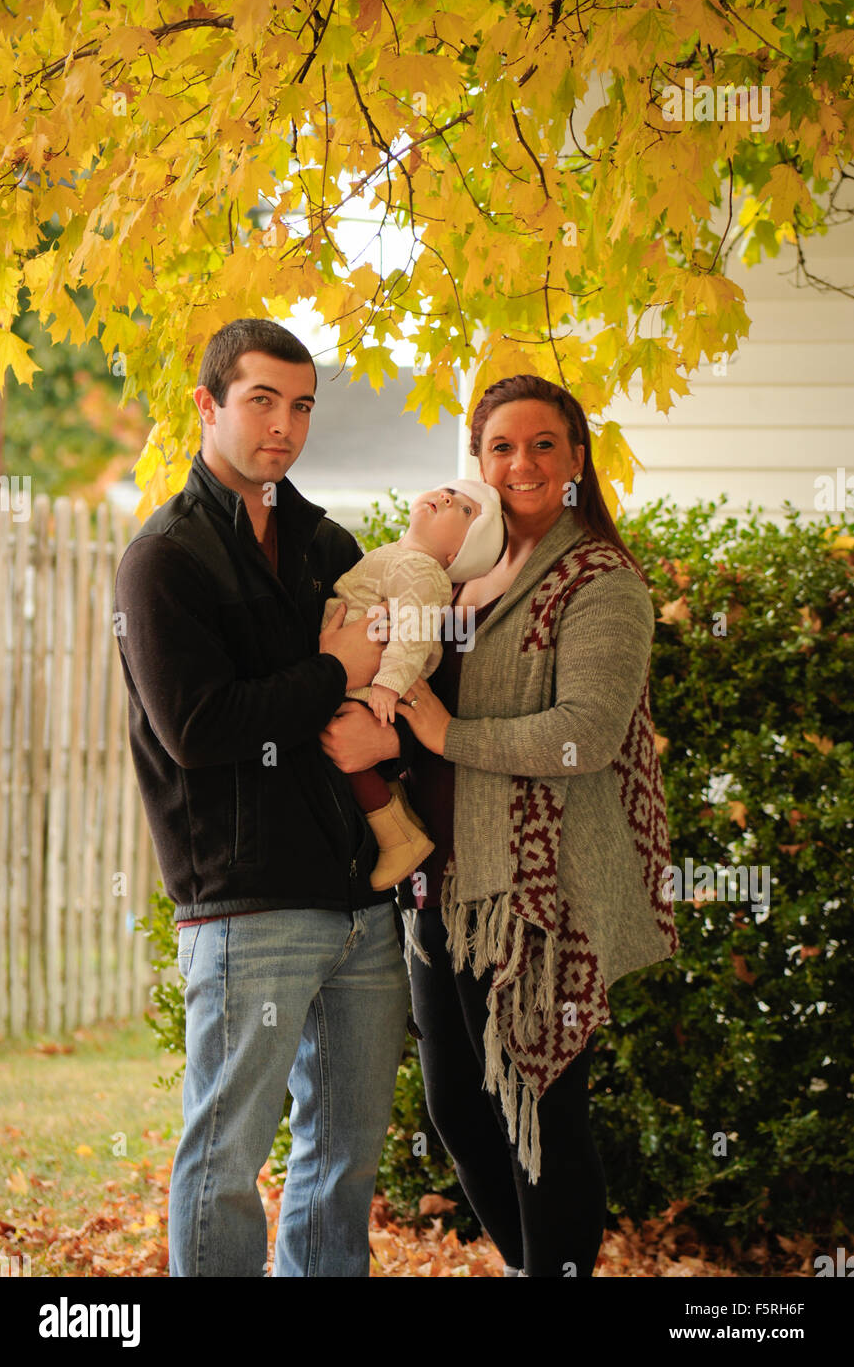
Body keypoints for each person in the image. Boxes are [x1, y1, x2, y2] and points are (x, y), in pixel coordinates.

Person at [321, 373, 679, 1279]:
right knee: (458, 1106)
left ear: (575, 461)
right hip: (442, 878)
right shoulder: (465, 576)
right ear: (476, 462)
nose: (520, 463)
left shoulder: (599, 580)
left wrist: (441, 729)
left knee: (540, 1112)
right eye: (500, 447)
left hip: (537, 893)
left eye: (542, 445)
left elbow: (584, 738)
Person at [113, 317, 412, 1277]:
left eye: (301, 406)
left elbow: (380, 685)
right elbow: (199, 732)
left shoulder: (328, 543)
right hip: (248, 904)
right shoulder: (164, 559)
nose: (283, 426)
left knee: (341, 1162)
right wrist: (329, 672)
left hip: (362, 902)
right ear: (208, 405)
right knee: (226, 1161)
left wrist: (383, 729)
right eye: (260, 402)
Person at [322, 480, 504, 888]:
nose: (447, 498)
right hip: (361, 667)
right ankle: (396, 812)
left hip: (375, 678)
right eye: (448, 492)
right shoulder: (402, 557)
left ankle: (398, 838)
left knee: (342, 743)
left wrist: (388, 683)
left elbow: (413, 632)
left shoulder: (423, 572)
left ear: (456, 554)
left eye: (465, 510)